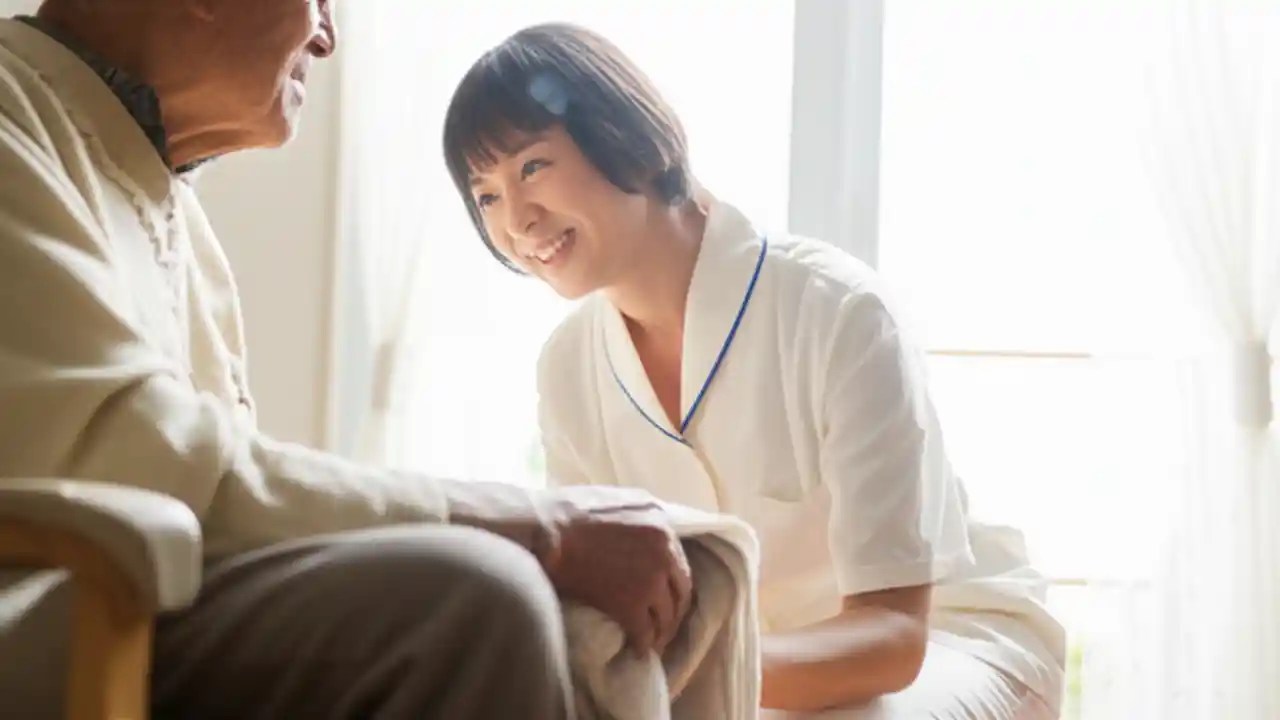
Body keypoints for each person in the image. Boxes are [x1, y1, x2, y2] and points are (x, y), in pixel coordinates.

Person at [0, 3, 695, 718]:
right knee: (472, 602)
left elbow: (210, 482)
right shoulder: (13, 118)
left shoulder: (169, 206)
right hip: (54, 625)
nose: (326, 39)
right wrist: (534, 529)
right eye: (321, 1)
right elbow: (158, 467)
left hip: (129, 613)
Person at [443, 23, 1068, 718]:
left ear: (627, 139)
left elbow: (893, 638)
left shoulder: (837, 310)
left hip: (955, 635)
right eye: (487, 196)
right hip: (750, 671)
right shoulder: (568, 368)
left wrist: (688, 674)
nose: (518, 220)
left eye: (532, 167)